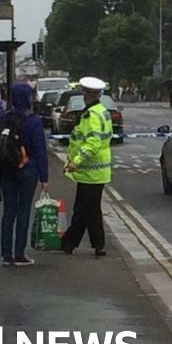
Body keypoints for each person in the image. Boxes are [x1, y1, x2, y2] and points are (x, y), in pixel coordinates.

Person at [0, 82, 49, 267]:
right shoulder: (34, 121)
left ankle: (6, 254)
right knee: (23, 210)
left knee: (8, 212)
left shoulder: (5, 117)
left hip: (6, 170)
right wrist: (44, 177)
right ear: (28, 98)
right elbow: (40, 150)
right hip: (27, 170)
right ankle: (19, 253)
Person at [61, 77, 113, 258]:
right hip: (94, 171)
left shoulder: (91, 116)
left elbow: (93, 143)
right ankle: (70, 243)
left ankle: (97, 245)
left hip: (91, 170)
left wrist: (76, 161)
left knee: (89, 210)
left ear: (88, 95)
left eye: (85, 93)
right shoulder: (101, 111)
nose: (84, 96)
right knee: (83, 209)